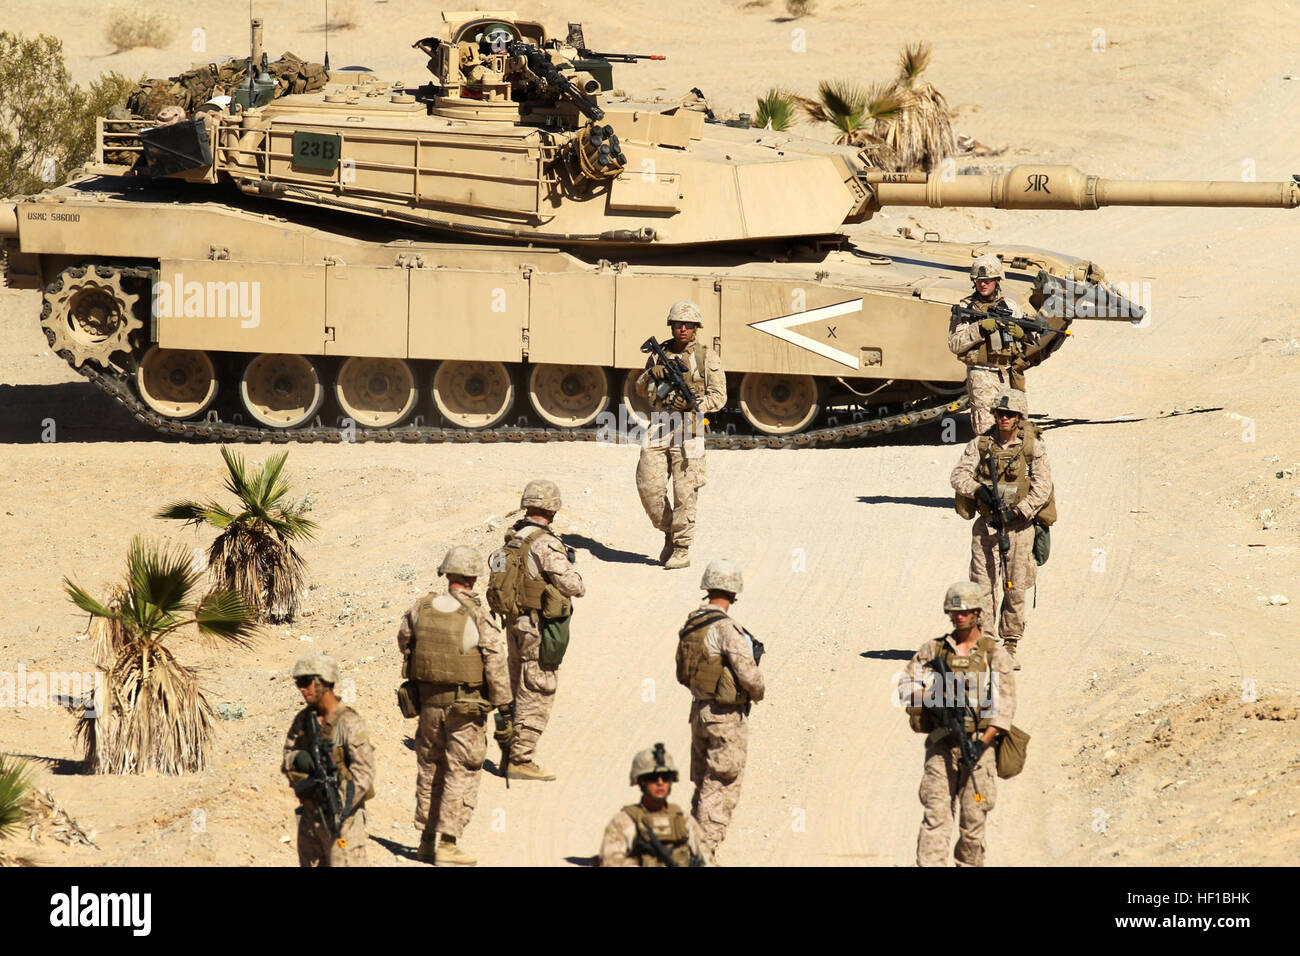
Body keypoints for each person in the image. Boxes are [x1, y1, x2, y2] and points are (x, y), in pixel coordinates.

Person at [396, 546, 513, 866]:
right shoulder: (476, 613)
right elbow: (494, 658)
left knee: (430, 767)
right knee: (461, 769)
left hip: (429, 704)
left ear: (447, 574)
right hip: (466, 707)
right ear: (474, 577)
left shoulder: (422, 607)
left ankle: (425, 840)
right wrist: (505, 705)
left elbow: (405, 641)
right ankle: (447, 844)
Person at [898, 582, 1016, 867]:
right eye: (954, 612)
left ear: (978, 613)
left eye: (965, 612)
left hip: (979, 748)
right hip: (941, 745)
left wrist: (982, 742)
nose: (959, 617)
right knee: (936, 815)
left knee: (973, 821)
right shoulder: (935, 649)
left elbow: (1005, 708)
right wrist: (933, 696)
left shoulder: (994, 654)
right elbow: (904, 687)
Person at [949, 388, 1053, 669]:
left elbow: (1043, 486)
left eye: (1010, 414)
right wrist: (978, 491)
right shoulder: (981, 445)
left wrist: (1021, 510)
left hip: (1019, 528)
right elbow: (958, 475)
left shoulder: (1032, 447)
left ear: (1019, 418)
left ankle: (1010, 643)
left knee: (1015, 587)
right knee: (983, 588)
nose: (1004, 418)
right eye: (1000, 413)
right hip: (988, 527)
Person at [489, 479, 585, 781]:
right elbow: (573, 586)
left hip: (514, 623)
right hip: (536, 628)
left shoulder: (512, 537)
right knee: (538, 690)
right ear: (552, 507)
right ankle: (520, 759)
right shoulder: (544, 542)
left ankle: (510, 754)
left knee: (518, 686)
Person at [674, 558, 763, 858]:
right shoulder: (727, 628)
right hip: (725, 718)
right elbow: (748, 674)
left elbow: (683, 670)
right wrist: (758, 690)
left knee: (703, 783)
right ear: (734, 590)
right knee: (721, 783)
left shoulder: (692, 622)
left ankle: (692, 848)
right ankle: (703, 854)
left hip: (699, 711)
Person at [635, 300, 727, 570]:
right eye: (678, 324)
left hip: (690, 430)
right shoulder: (658, 354)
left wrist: (694, 405)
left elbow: (719, 397)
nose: (683, 329)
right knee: (648, 488)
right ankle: (669, 532)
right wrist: (652, 373)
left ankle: (682, 549)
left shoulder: (707, 357)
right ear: (671, 326)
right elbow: (642, 389)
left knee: (685, 493)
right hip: (659, 427)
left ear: (696, 328)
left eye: (688, 325)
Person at [282, 653, 376, 867]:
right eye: (299, 683)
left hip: (343, 821)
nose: (301, 688)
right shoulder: (303, 720)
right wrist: (301, 760)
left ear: (323, 682)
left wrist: (338, 804)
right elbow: (288, 756)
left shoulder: (349, 722)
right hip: (310, 817)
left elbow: (364, 772)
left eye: (306, 682)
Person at [948, 254, 1031, 436]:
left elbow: (1032, 343)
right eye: (979, 281)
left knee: (1013, 432)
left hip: (1008, 374)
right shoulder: (966, 308)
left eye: (988, 280)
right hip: (981, 374)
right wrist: (979, 329)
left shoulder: (1011, 306)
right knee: (986, 431)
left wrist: (1022, 335)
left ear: (997, 280)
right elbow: (954, 344)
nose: (983, 284)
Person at [597, 743, 712, 866]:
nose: (660, 782)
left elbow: (708, 860)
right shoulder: (625, 821)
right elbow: (610, 862)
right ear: (640, 782)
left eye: (666, 777)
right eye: (652, 777)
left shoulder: (682, 819)